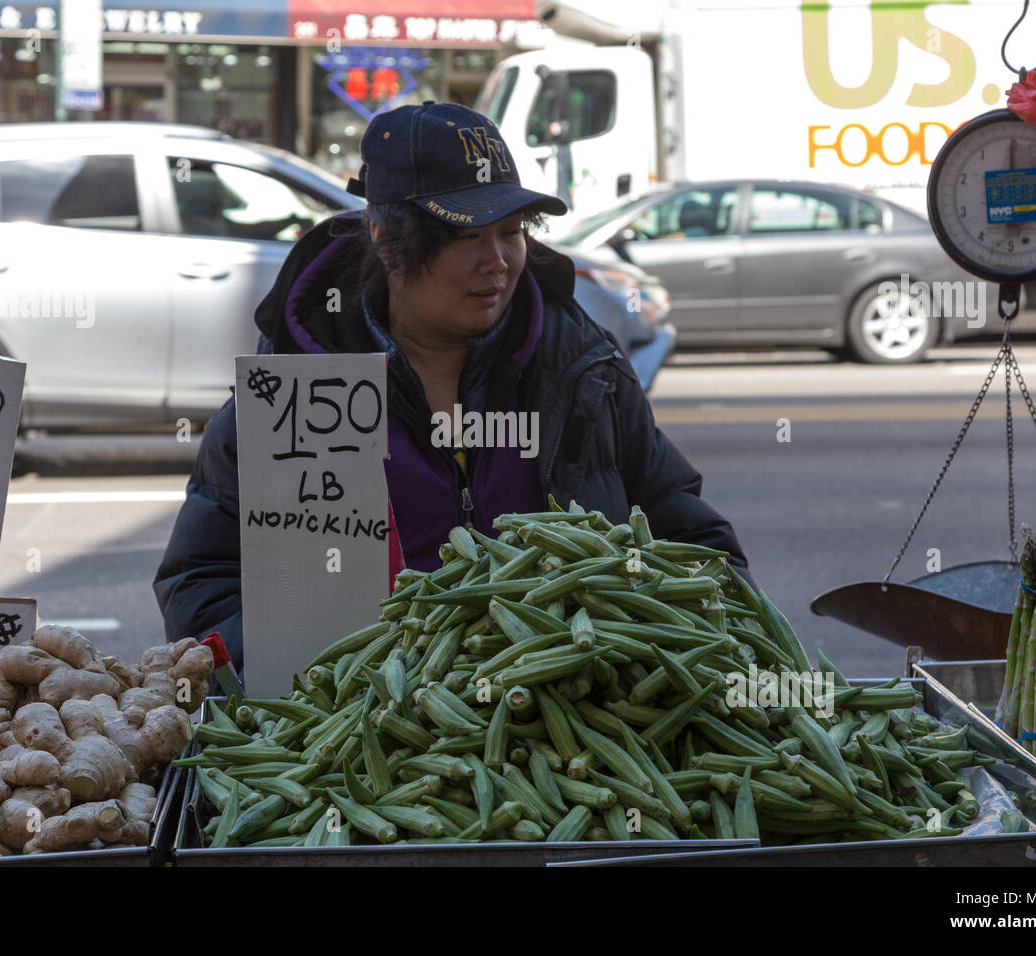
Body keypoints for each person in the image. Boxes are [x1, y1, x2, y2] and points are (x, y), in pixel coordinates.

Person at [154, 101, 751, 669]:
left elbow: (692, 535)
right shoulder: (301, 381)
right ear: (386, 239)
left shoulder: (581, 369)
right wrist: (300, 670)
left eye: (512, 230)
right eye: (467, 236)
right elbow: (198, 579)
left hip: (571, 740)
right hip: (360, 742)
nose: (497, 261)